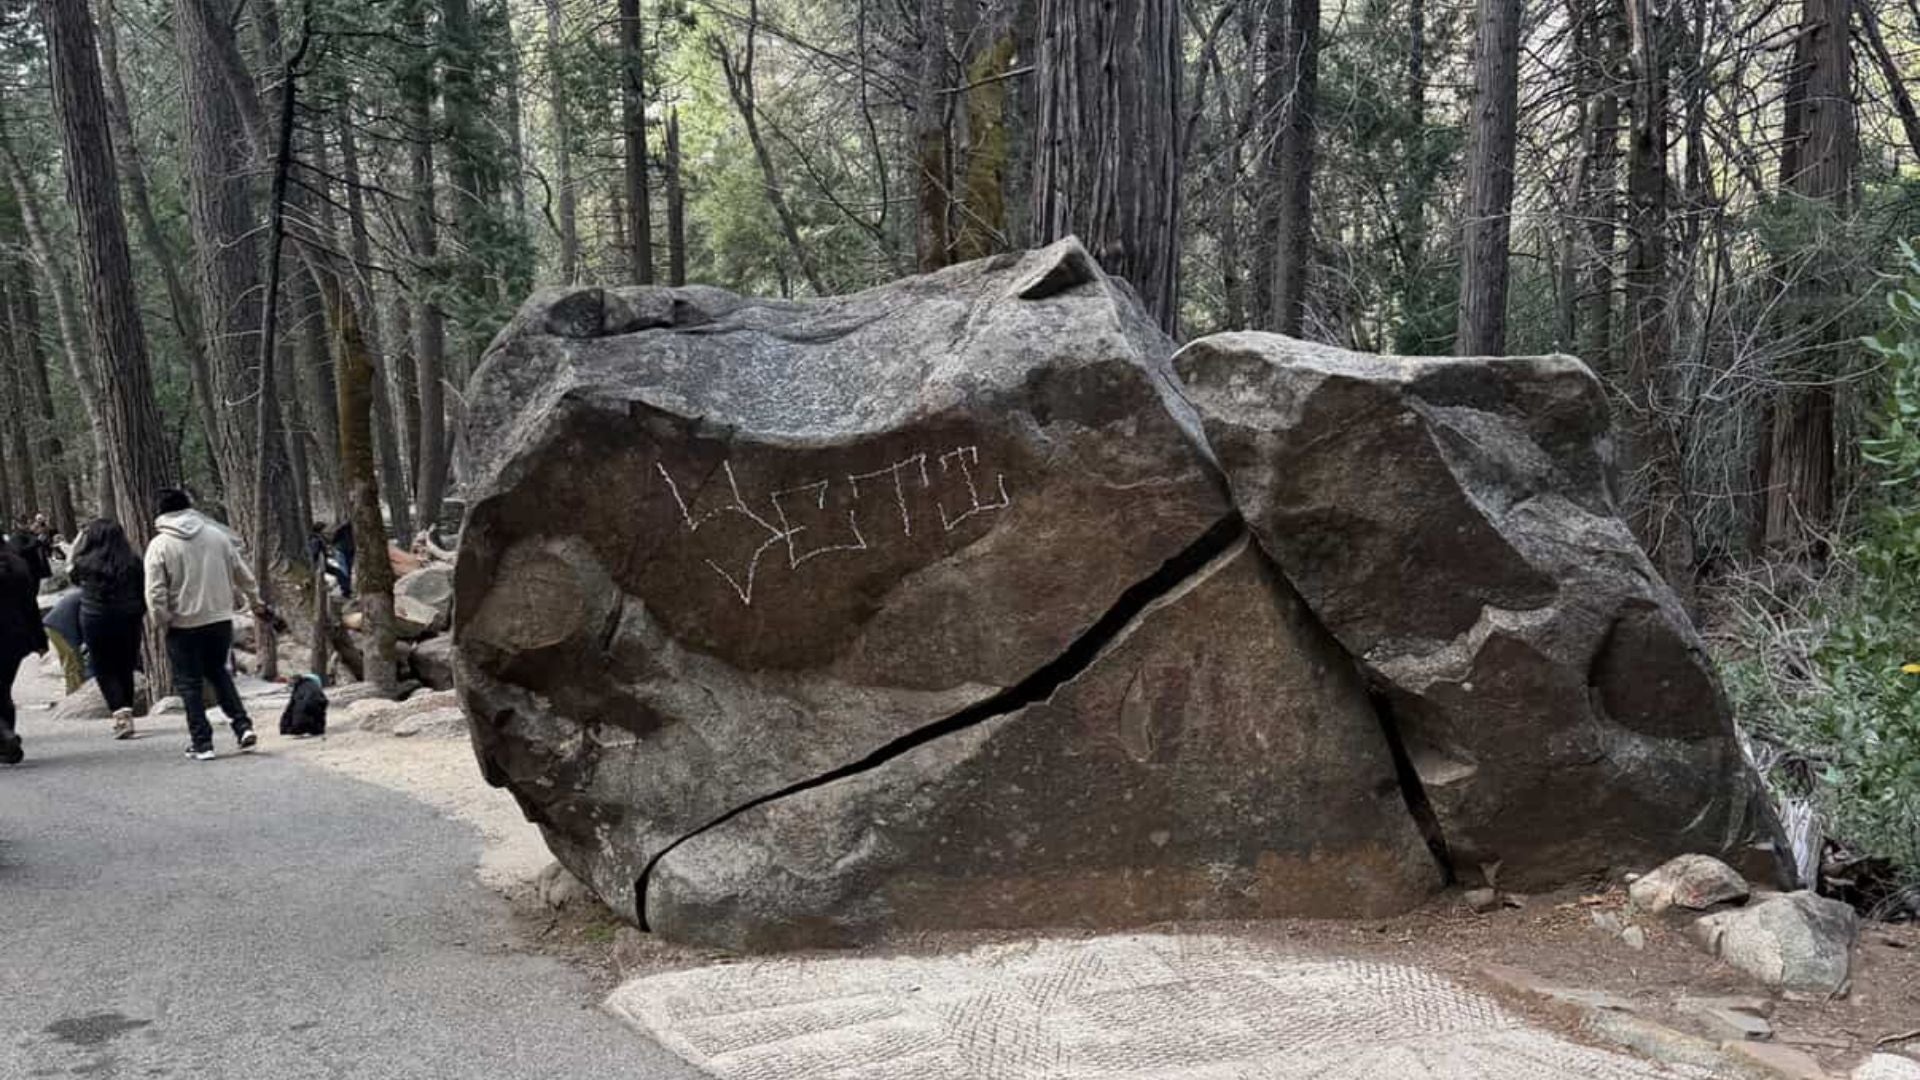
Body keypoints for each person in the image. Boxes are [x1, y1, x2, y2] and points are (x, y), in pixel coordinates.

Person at [143, 489, 262, 761]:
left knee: (189, 684)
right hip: (219, 619)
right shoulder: (217, 536)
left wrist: (161, 619)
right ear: (189, 508)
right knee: (219, 673)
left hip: (182, 624)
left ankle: (202, 743)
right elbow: (243, 574)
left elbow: (155, 591)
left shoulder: (160, 545)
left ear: (160, 513)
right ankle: (242, 726)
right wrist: (255, 601)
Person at [70, 518, 147, 740]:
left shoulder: (85, 563)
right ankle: (127, 712)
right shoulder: (133, 562)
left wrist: (78, 542)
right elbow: (143, 589)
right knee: (126, 666)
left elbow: (71, 570)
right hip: (129, 618)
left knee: (103, 667)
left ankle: (119, 712)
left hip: (95, 619)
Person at [0, 538, 48, 765]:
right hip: (15, 638)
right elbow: (30, 605)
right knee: (4, 689)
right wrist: (39, 639)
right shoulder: (18, 564)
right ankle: (7, 735)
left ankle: (5, 736)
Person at [42, 588, 89, 694]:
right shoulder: (89, 598)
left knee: (74, 662)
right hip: (61, 628)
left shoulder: (85, 593)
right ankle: (75, 696)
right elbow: (86, 623)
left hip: (55, 626)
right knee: (73, 663)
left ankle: (76, 692)